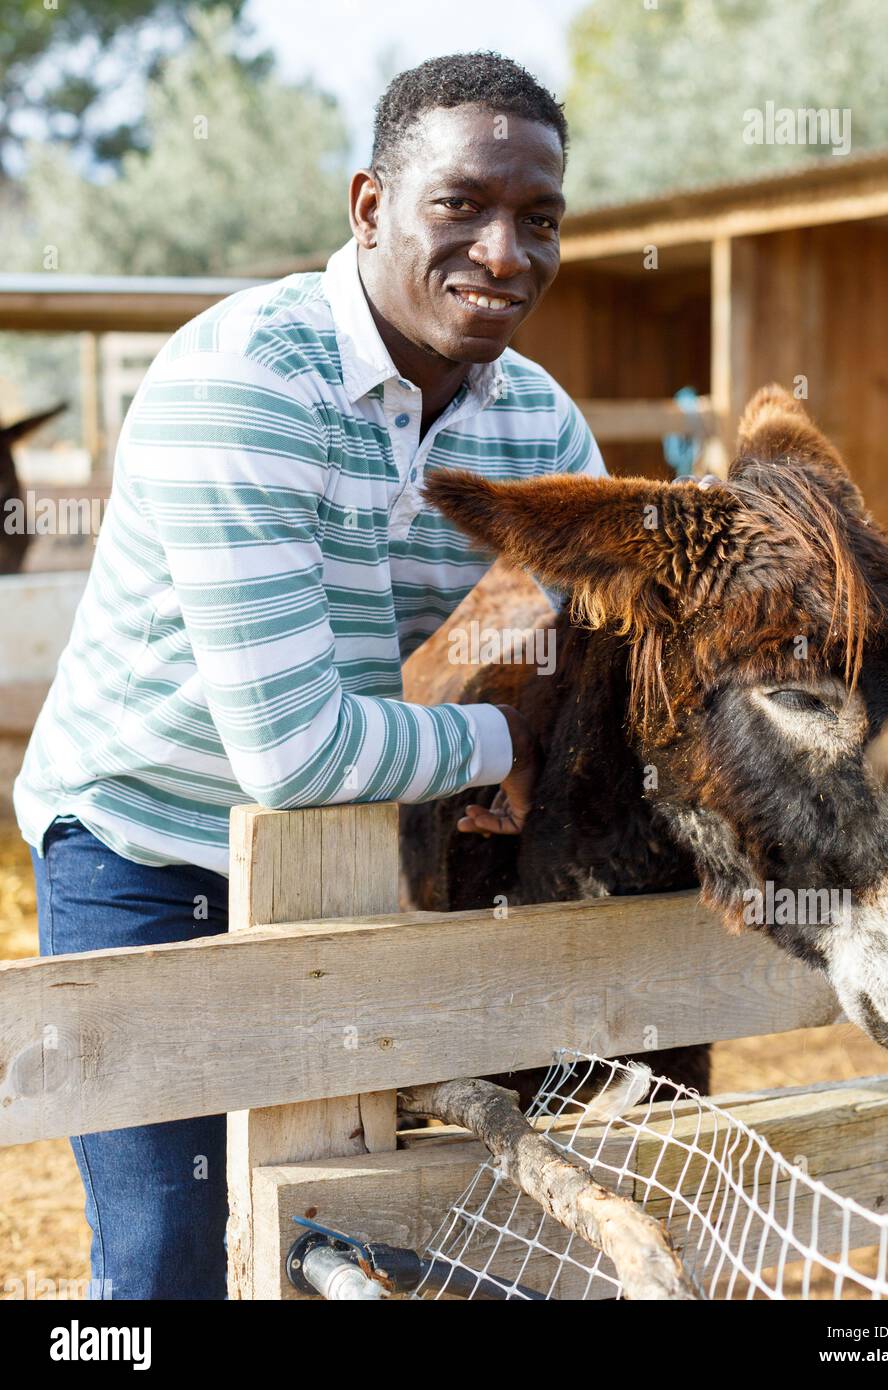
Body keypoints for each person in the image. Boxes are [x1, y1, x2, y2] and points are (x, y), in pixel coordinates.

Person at [14, 51, 606, 1300]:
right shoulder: (246, 382)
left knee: (352, 1218)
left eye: (538, 218)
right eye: (463, 205)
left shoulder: (535, 424)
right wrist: (507, 750)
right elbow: (288, 752)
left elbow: (609, 642)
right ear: (369, 206)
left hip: (345, 857)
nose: (505, 252)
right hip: (147, 839)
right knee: (171, 1260)